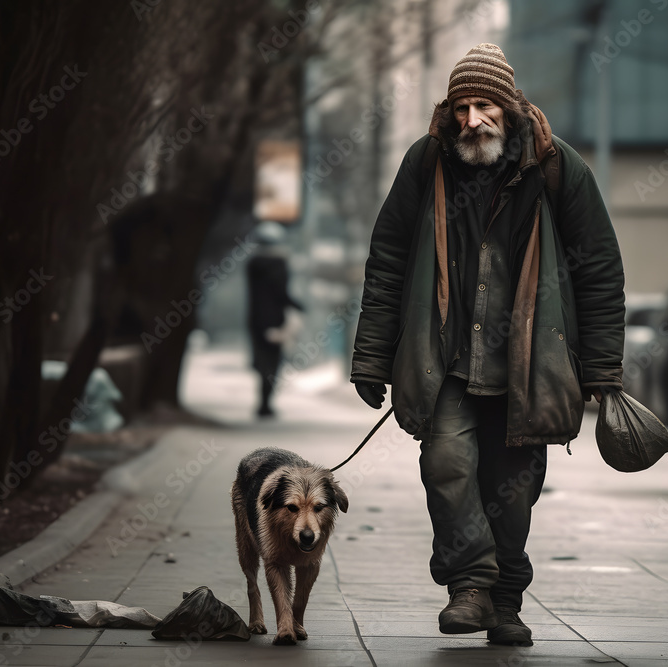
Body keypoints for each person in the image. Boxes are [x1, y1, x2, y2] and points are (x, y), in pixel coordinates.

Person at [350, 44, 626, 646]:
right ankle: (470, 586)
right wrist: (372, 356)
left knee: (513, 491)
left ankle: (505, 601)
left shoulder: (558, 169)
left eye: (484, 106)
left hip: (528, 367)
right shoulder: (427, 165)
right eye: (461, 108)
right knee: (445, 465)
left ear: (510, 107)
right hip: (445, 361)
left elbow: (599, 270)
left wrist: (602, 367)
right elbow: (388, 262)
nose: (471, 120)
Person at [247, 221, 302, 418]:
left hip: (256, 320)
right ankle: (265, 405)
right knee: (272, 364)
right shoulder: (279, 264)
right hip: (275, 321)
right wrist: (298, 305)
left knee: (262, 363)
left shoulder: (252, 264)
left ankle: (263, 404)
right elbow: (280, 293)